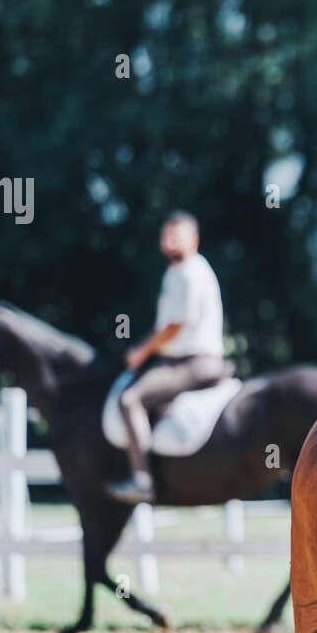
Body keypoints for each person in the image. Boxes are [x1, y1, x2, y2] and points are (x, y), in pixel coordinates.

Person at [107, 211, 231, 504]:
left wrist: (142, 352)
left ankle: (141, 478)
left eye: (178, 234)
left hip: (192, 362)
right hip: (185, 359)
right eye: (167, 235)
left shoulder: (188, 271)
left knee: (130, 399)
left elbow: (175, 326)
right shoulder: (180, 272)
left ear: (195, 240)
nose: (171, 240)